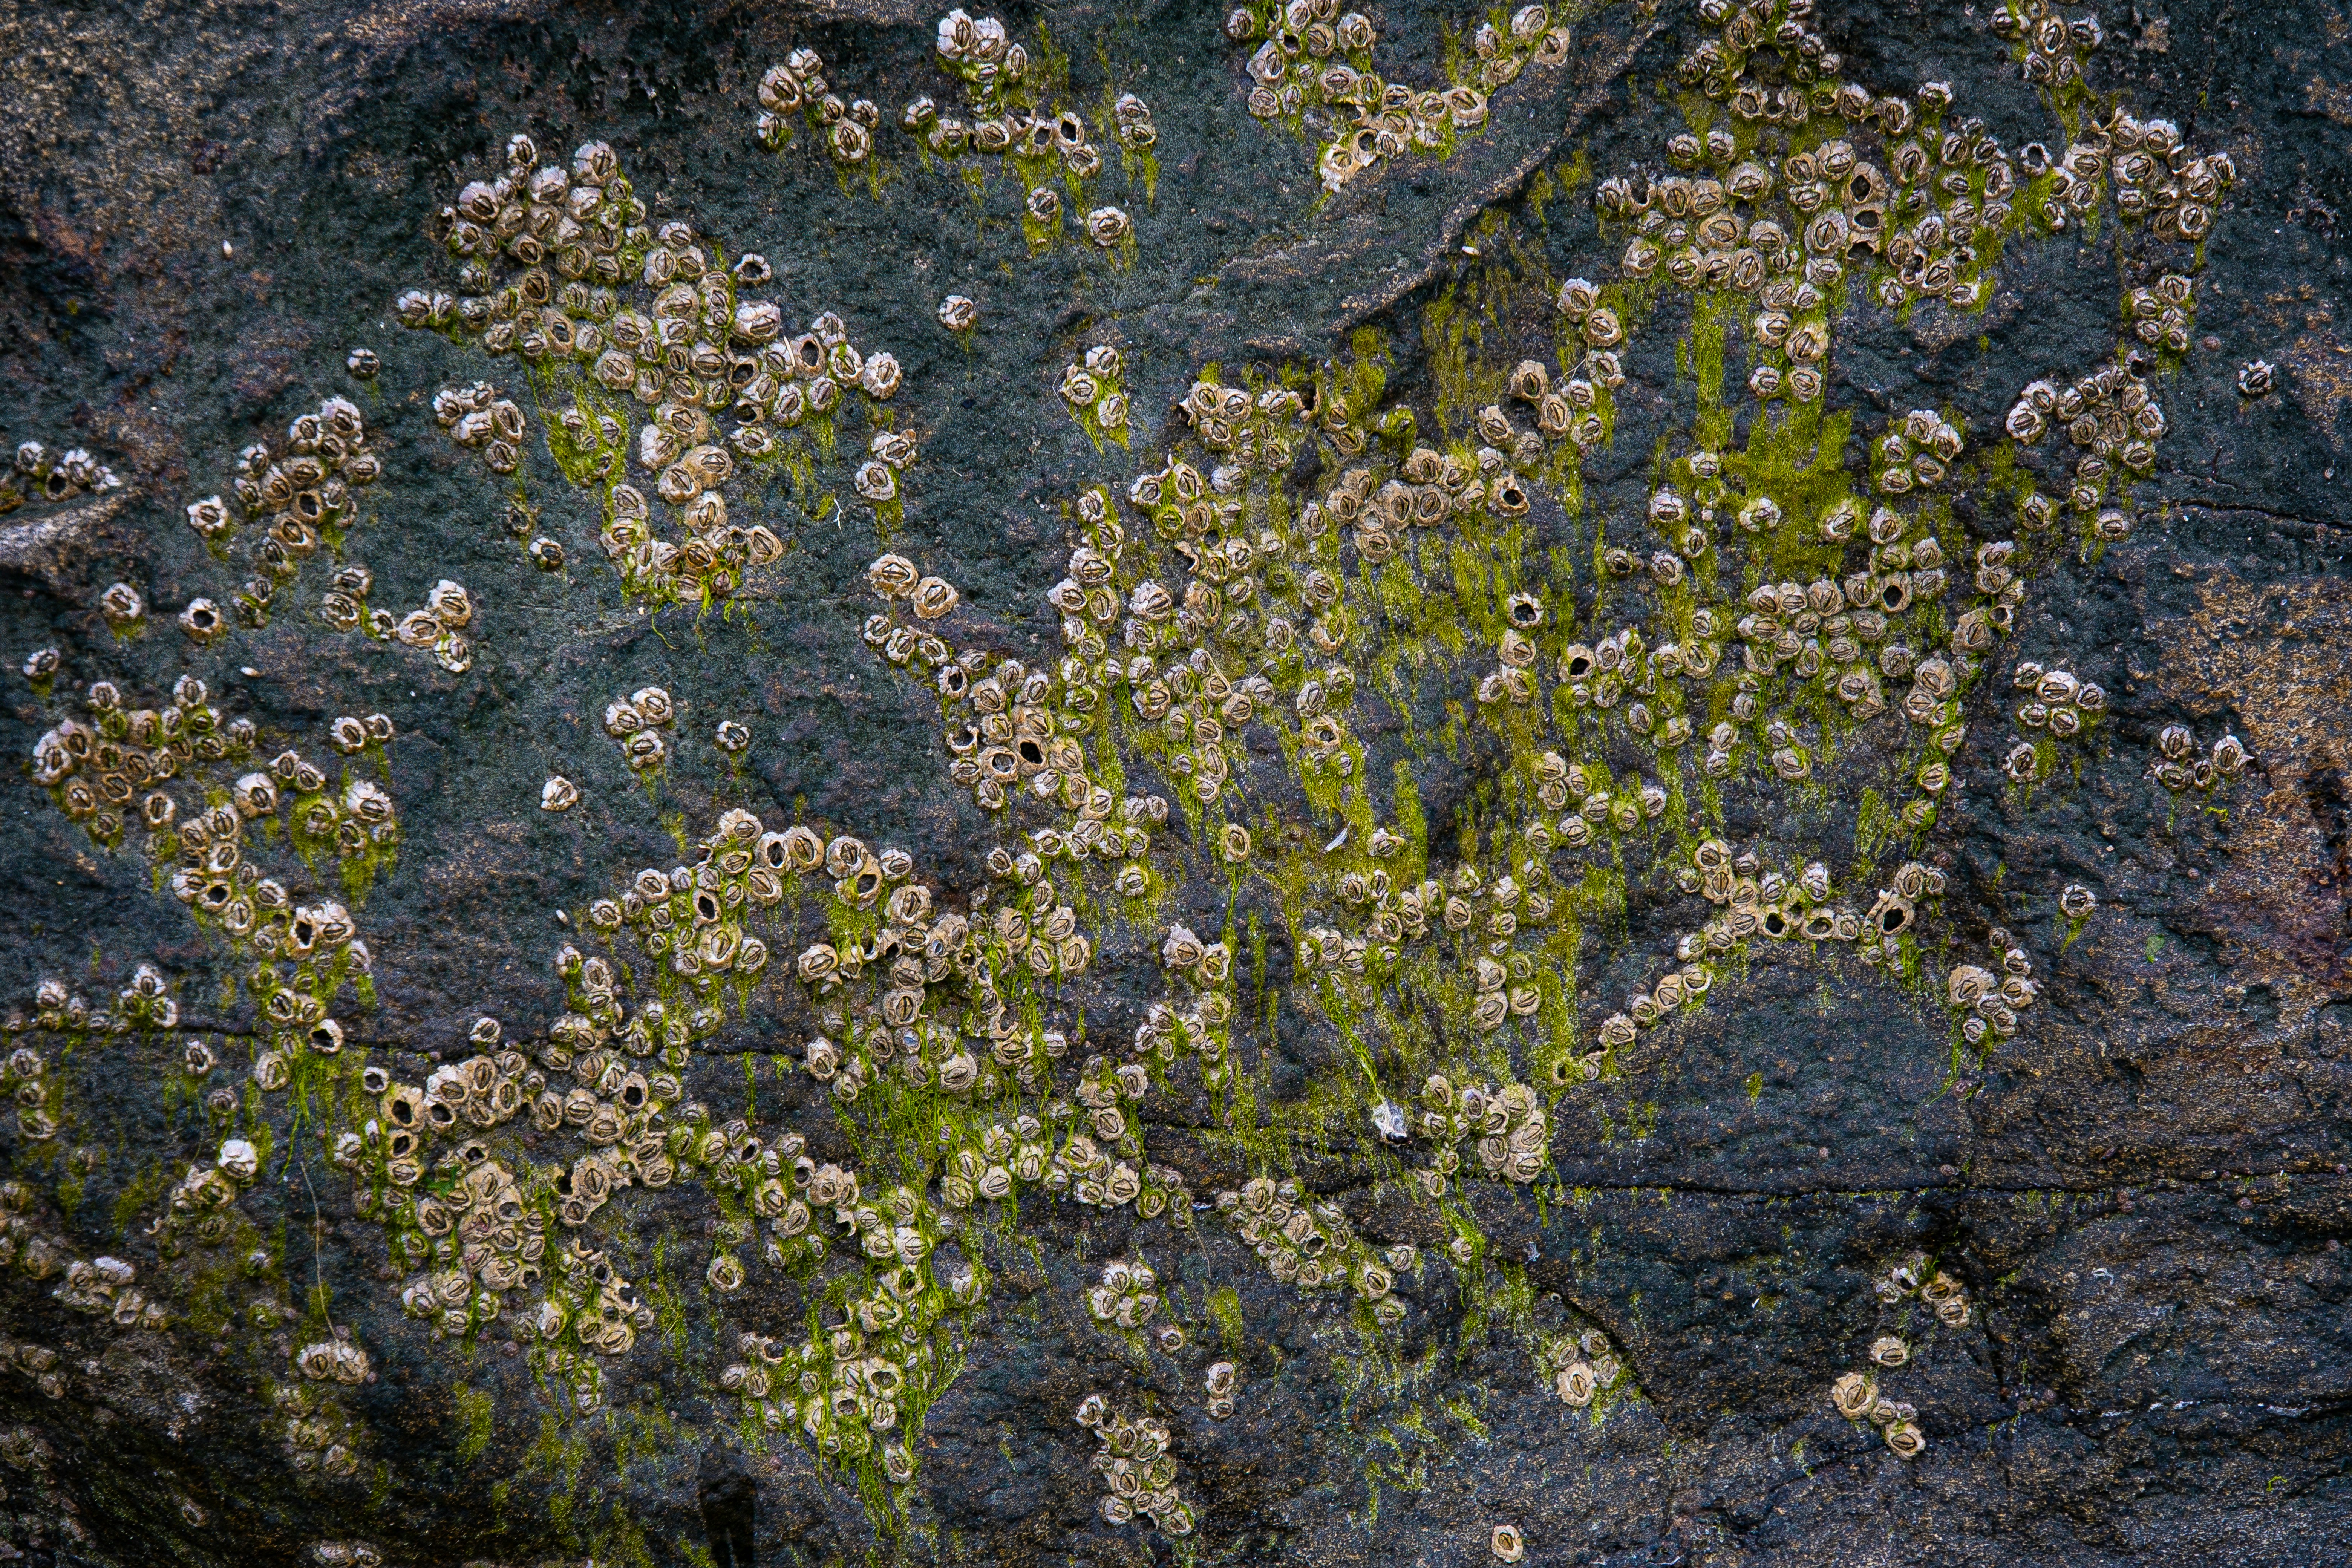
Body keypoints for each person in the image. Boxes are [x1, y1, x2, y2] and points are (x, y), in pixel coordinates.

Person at [697, 1439, 758, 1568]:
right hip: (724, 1506)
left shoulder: (709, 1461)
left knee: (733, 1547)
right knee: (732, 1548)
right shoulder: (721, 1461)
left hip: (725, 1506)